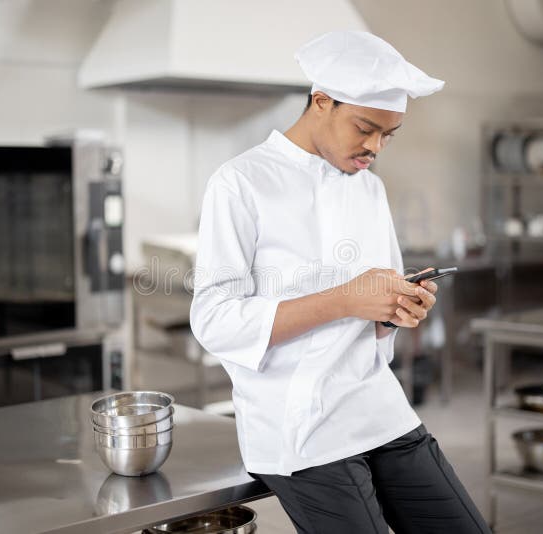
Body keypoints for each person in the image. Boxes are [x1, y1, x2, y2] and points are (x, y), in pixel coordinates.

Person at [190, 31, 490, 534]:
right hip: (299, 428)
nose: (374, 147)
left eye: (388, 135)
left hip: (378, 407)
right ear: (322, 101)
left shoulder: (370, 189)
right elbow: (215, 320)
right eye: (365, 128)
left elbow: (374, 308)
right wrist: (347, 299)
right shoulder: (241, 183)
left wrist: (396, 309)